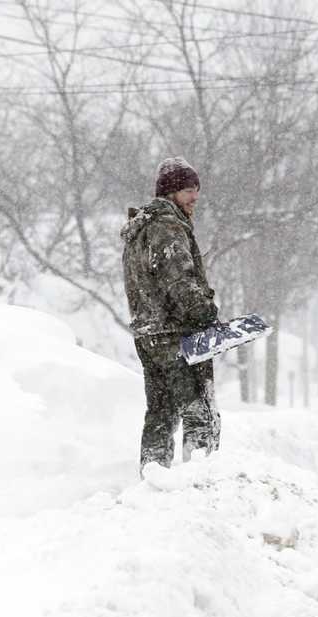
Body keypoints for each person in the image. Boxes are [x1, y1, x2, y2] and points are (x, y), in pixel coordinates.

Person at [121, 156, 220, 473]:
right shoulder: (167, 226)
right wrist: (206, 313)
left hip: (148, 334)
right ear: (170, 192)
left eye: (197, 190)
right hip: (176, 336)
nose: (195, 197)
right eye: (188, 190)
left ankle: (154, 478)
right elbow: (179, 281)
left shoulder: (140, 229)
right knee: (199, 410)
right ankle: (202, 479)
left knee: (160, 414)